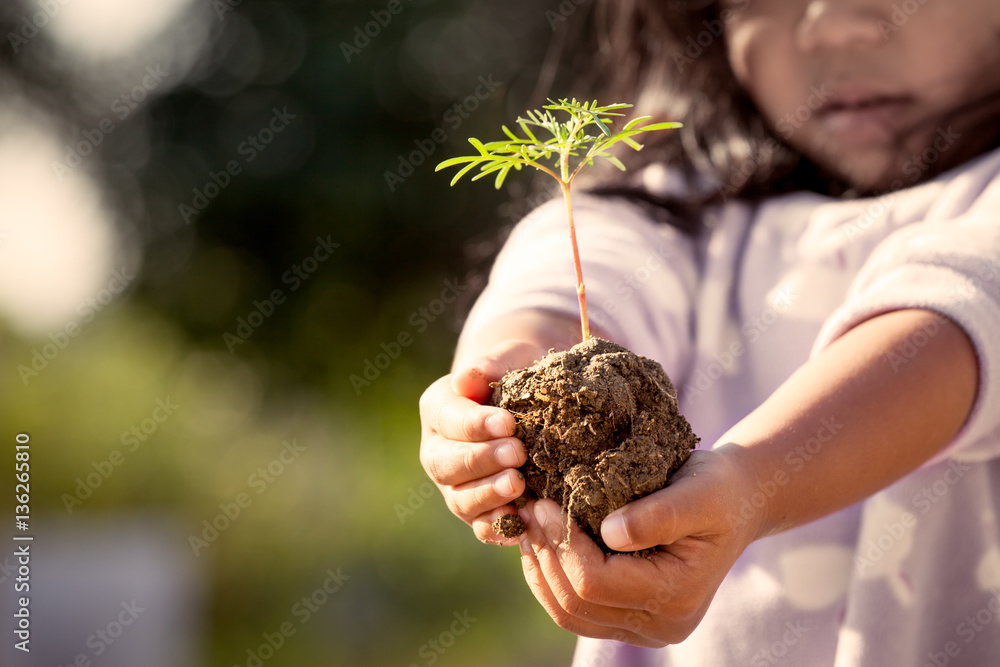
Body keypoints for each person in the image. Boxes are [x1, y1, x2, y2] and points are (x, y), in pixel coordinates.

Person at [419, 1, 1000, 664]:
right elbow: (580, 264)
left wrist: (753, 485)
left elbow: (952, 325)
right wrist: (498, 388)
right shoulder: (684, 204)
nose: (832, 24)